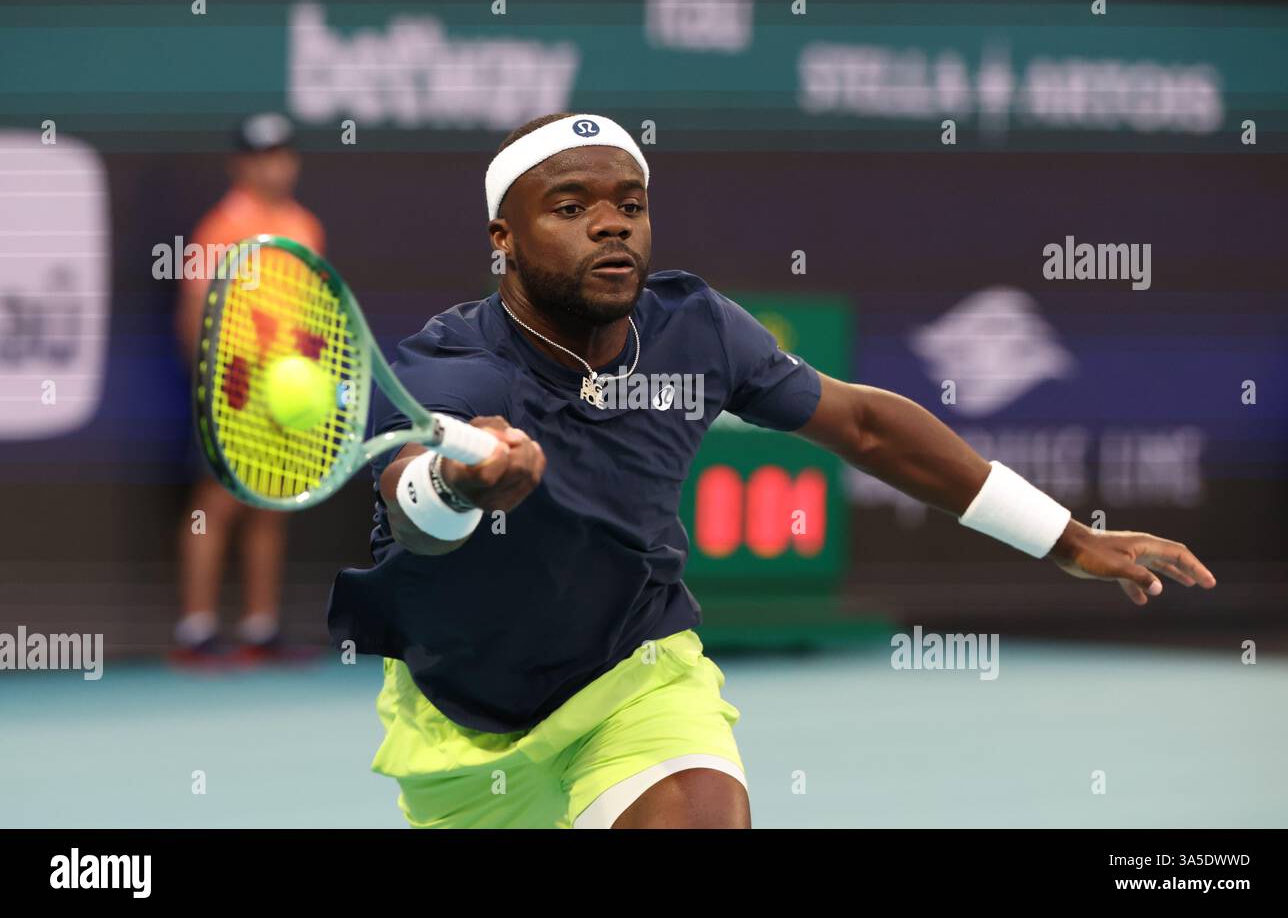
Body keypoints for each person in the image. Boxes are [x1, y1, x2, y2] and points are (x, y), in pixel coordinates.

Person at [328, 112, 1216, 828]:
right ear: (503, 240)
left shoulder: (695, 328)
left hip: (634, 681)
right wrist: (460, 487)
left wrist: (1063, 536)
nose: (610, 224)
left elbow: (866, 427)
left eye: (630, 204)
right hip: (462, 732)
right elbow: (410, 503)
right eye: (570, 208)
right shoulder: (450, 370)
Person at [174, 113, 326, 663]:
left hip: (289, 392)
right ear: (240, 164)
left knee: (272, 502)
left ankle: (260, 630)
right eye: (261, 155)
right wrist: (213, 381)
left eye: (282, 153)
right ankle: (196, 632)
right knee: (215, 503)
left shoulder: (305, 226)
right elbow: (193, 308)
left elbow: (313, 314)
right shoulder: (220, 226)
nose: (274, 165)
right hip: (234, 389)